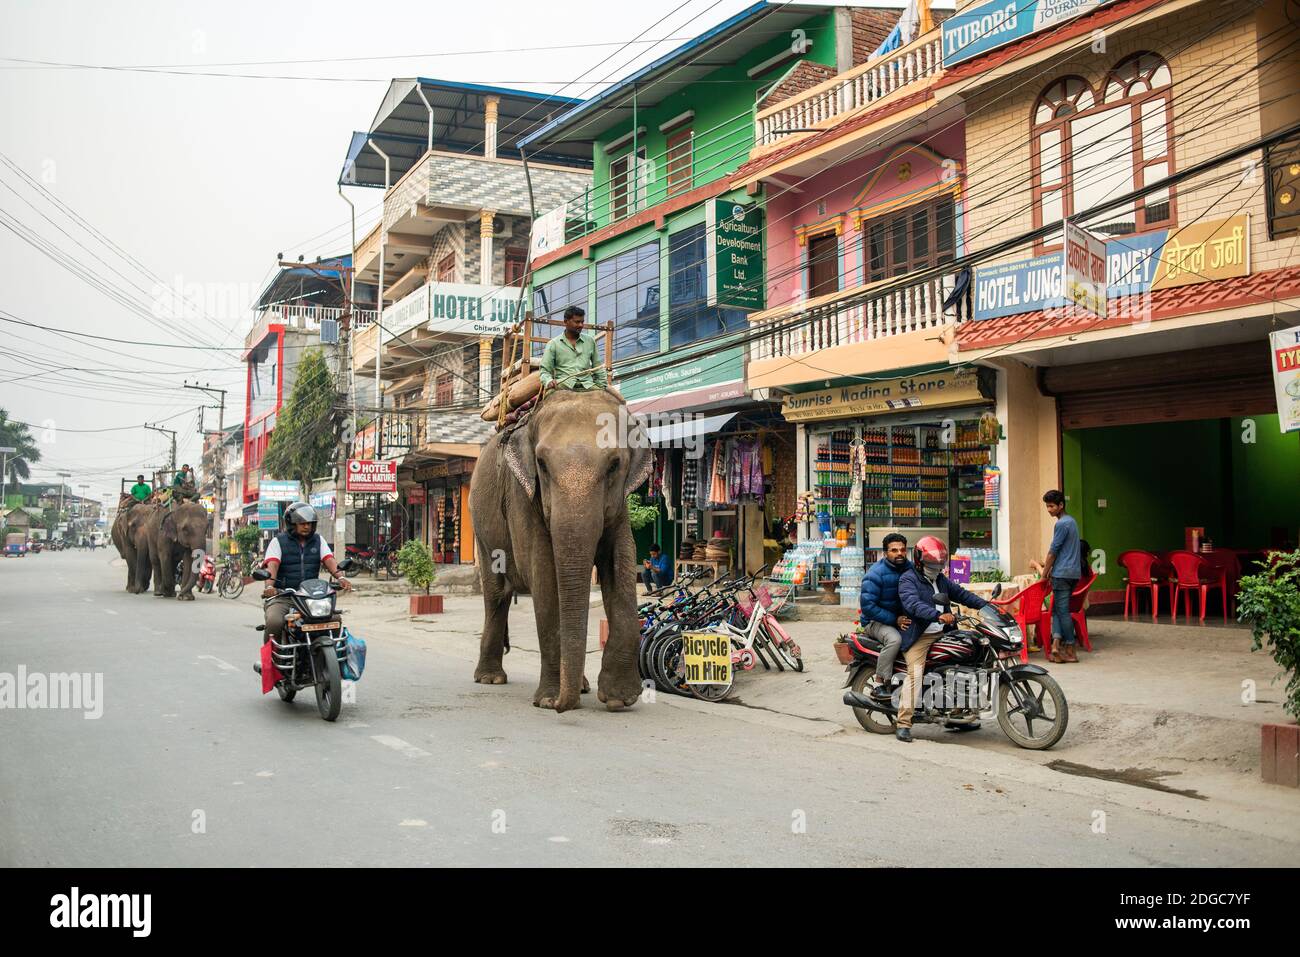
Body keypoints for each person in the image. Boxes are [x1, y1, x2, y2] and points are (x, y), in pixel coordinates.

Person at [896, 535, 988, 743]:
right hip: (920, 636)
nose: (935, 567)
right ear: (920, 561)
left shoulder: (940, 579)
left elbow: (961, 594)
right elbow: (912, 604)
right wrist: (936, 615)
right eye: (931, 563)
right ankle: (903, 723)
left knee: (967, 662)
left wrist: (987, 605)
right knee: (916, 674)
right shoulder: (908, 579)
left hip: (943, 631)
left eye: (939, 564)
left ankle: (956, 716)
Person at [260, 502, 351, 647]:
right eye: (301, 523)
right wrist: (269, 587)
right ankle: (271, 661)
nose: (306, 526)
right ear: (292, 524)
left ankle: (334, 657)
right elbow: (273, 565)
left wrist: (340, 577)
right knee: (274, 621)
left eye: (309, 523)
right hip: (284, 596)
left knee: (334, 619)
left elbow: (329, 559)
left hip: (311, 597)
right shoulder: (278, 542)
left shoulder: (318, 540)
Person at [857, 533, 912, 700]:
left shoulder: (910, 568)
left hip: (902, 619)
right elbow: (868, 607)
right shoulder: (875, 574)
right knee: (894, 639)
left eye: (902, 550)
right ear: (885, 553)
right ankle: (879, 682)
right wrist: (894, 620)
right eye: (894, 550)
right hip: (875, 621)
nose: (899, 553)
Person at [1030, 488, 1081, 664]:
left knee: (1062, 611)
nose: (1049, 509)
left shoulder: (1061, 524)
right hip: (1073, 573)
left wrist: (1044, 575)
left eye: (1052, 506)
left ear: (1061, 505)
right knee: (1059, 610)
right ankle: (1056, 645)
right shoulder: (1072, 522)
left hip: (1062, 574)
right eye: (1047, 506)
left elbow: (1053, 552)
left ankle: (1070, 648)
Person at [538, 305, 608, 392]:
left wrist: (602, 386)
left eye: (582, 322)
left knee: (612, 401)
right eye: (577, 322)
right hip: (563, 385)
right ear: (566, 322)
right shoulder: (553, 344)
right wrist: (549, 381)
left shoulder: (590, 341)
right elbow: (544, 371)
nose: (581, 325)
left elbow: (598, 367)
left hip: (587, 385)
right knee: (550, 399)